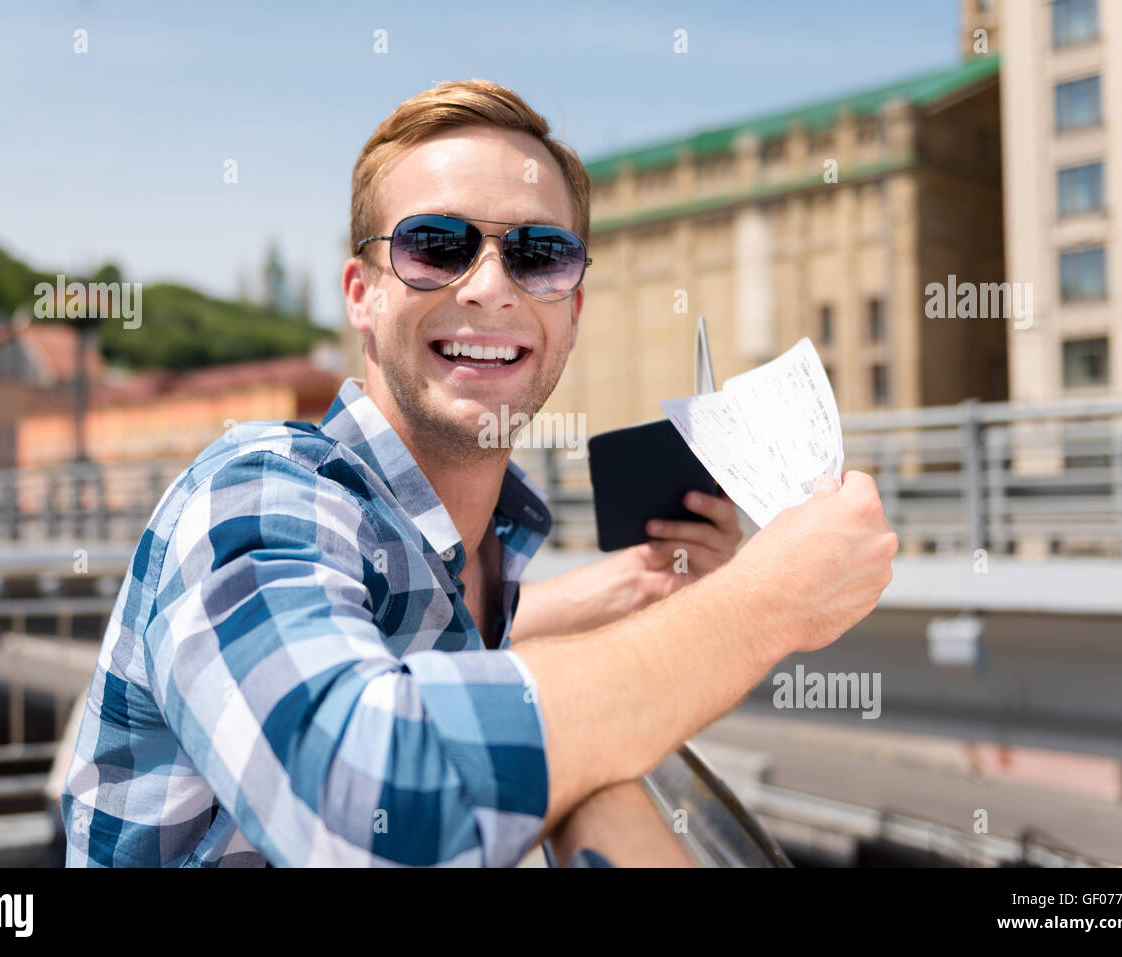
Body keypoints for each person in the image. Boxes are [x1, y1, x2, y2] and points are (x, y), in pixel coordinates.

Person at [60, 79, 897, 867]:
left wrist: (635, 588)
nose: (491, 286)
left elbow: (421, 635)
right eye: (436, 245)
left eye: (538, 254)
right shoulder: (256, 489)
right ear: (361, 293)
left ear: (572, 308)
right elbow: (369, 800)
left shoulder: (468, 554)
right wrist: (769, 603)